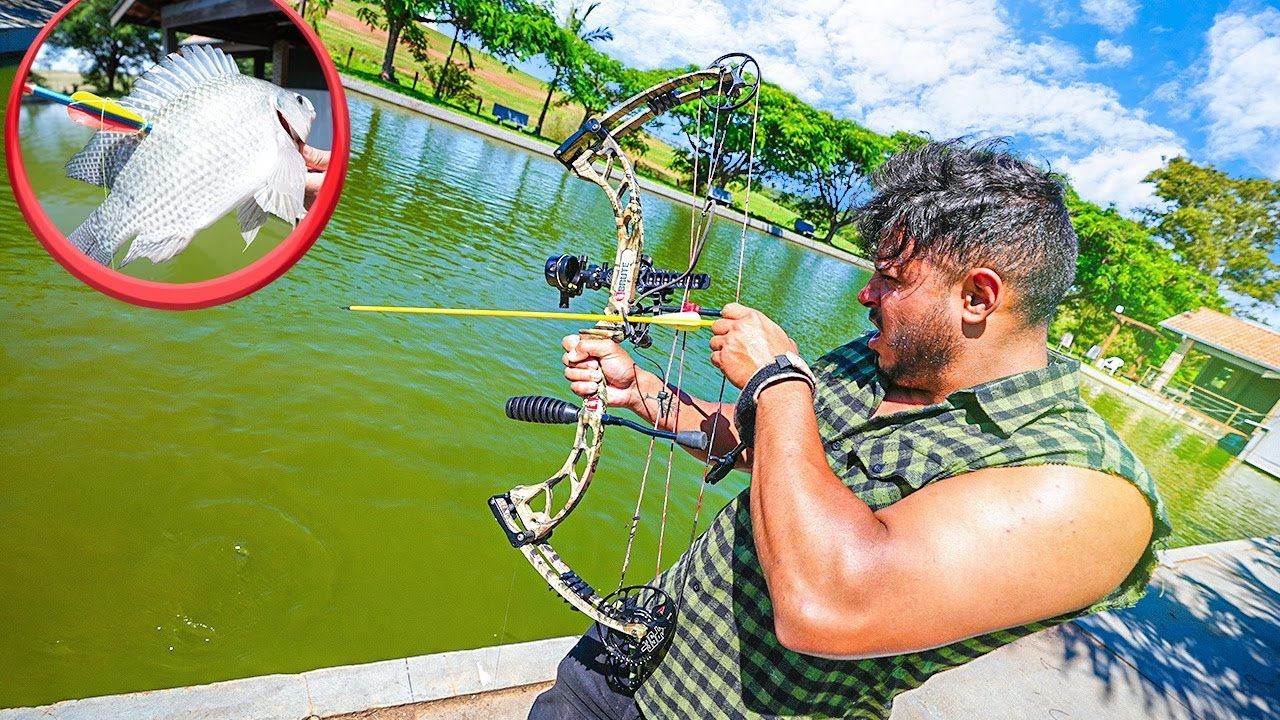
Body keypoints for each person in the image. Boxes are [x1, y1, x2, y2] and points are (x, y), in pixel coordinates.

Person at [529, 139, 1170, 720]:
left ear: (978, 296)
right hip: (625, 654)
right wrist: (643, 393)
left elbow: (831, 606)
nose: (865, 295)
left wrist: (777, 382)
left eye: (890, 279)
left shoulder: (1087, 488)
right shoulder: (881, 354)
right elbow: (769, 450)